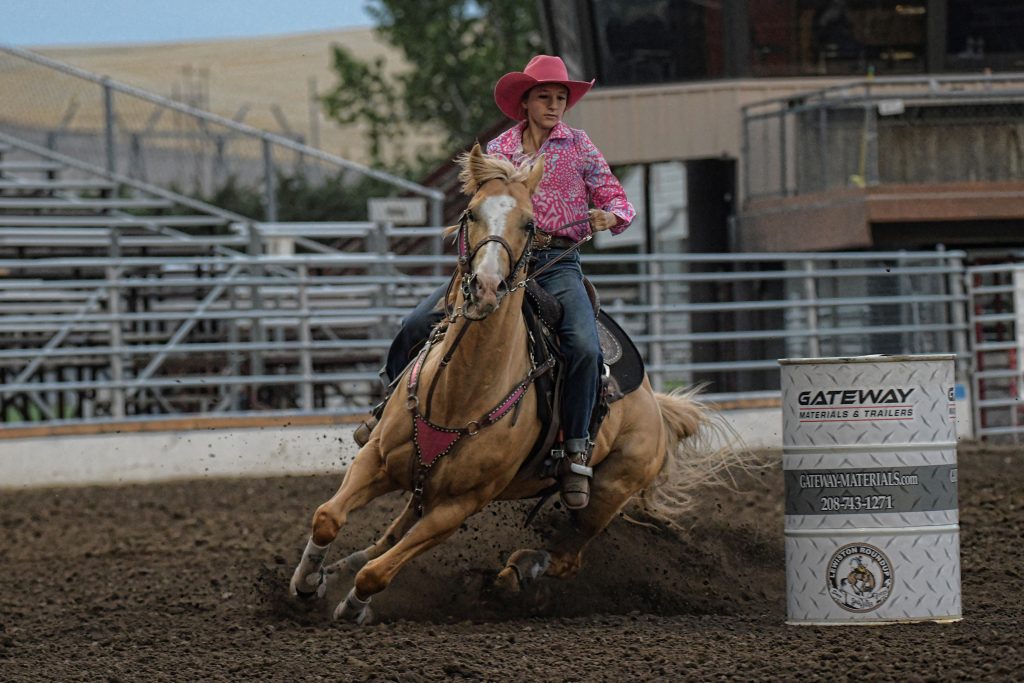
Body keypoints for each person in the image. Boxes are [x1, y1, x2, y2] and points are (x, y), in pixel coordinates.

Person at [356, 55, 635, 510]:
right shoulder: (499, 151)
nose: (554, 104)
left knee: (584, 347)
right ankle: (383, 410)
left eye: (561, 97)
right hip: (498, 257)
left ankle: (576, 447)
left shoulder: (580, 146)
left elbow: (618, 199)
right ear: (525, 102)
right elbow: (481, 206)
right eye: (545, 96)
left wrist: (612, 216)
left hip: (557, 262)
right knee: (414, 323)